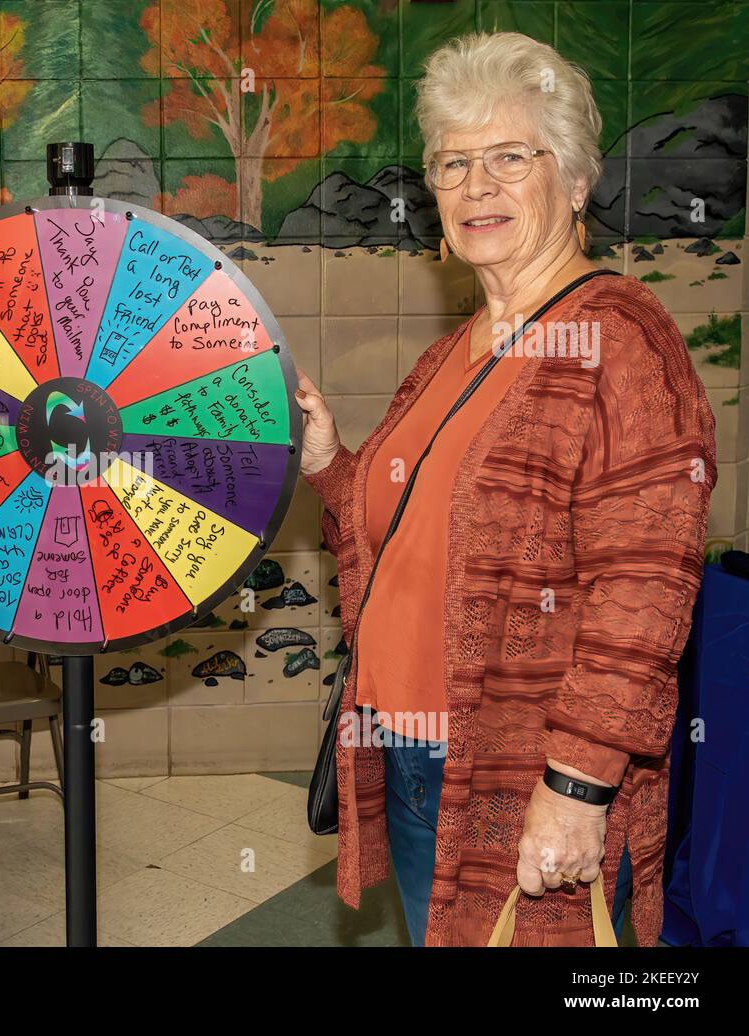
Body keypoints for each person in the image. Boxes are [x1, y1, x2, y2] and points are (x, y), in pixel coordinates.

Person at [294, 32, 715, 947]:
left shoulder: (620, 340)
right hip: (412, 751)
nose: (476, 185)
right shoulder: (455, 350)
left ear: (571, 182)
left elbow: (643, 593)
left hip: (520, 766)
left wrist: (576, 787)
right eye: (453, 163)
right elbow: (411, 527)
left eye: (508, 158)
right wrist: (332, 465)